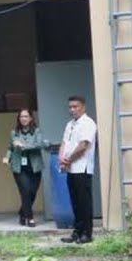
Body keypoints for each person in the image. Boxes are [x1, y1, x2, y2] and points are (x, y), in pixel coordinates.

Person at [58, 95, 98, 244]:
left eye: (76, 107)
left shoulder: (88, 123)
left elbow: (83, 146)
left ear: (83, 107)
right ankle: (77, 231)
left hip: (82, 168)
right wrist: (61, 157)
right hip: (70, 168)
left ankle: (87, 233)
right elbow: (64, 142)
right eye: (70, 107)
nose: (72, 109)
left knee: (84, 202)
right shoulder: (70, 124)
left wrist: (68, 160)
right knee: (75, 202)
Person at [4, 109, 47, 228]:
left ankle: (22, 212)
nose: (24, 118)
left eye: (26, 116)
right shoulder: (14, 133)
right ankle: (29, 217)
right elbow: (10, 148)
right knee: (25, 191)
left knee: (32, 192)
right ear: (19, 119)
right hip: (19, 167)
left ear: (31, 118)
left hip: (35, 167)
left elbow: (39, 144)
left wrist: (24, 146)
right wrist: (7, 157)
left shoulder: (37, 131)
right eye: (21, 116)